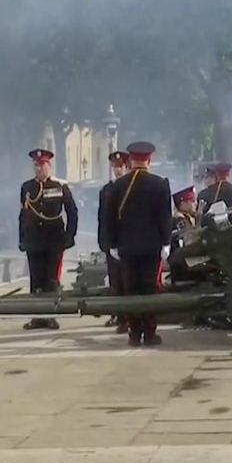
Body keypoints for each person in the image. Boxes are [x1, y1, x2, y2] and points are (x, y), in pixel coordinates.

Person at [103, 141, 172, 346]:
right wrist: (166, 243)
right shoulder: (160, 184)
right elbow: (164, 218)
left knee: (130, 289)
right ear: (149, 160)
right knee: (150, 288)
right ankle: (150, 333)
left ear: (131, 160)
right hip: (151, 247)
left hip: (127, 248)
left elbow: (109, 219)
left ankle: (134, 334)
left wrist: (112, 244)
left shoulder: (118, 186)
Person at [19, 149, 78, 330]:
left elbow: (72, 213)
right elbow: (23, 215)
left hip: (54, 240)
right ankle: (37, 317)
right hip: (35, 240)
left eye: (42, 164)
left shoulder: (60, 187)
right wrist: (22, 238)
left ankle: (51, 315)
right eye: (36, 165)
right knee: (36, 280)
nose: (39, 168)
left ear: (49, 166)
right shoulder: (27, 188)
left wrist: (69, 236)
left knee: (51, 280)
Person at [99, 151, 130, 333]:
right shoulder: (107, 190)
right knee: (115, 283)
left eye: (121, 166)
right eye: (115, 167)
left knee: (128, 282)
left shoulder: (130, 187)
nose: (118, 170)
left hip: (128, 242)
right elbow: (103, 218)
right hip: (113, 243)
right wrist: (105, 244)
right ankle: (119, 317)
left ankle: (129, 317)